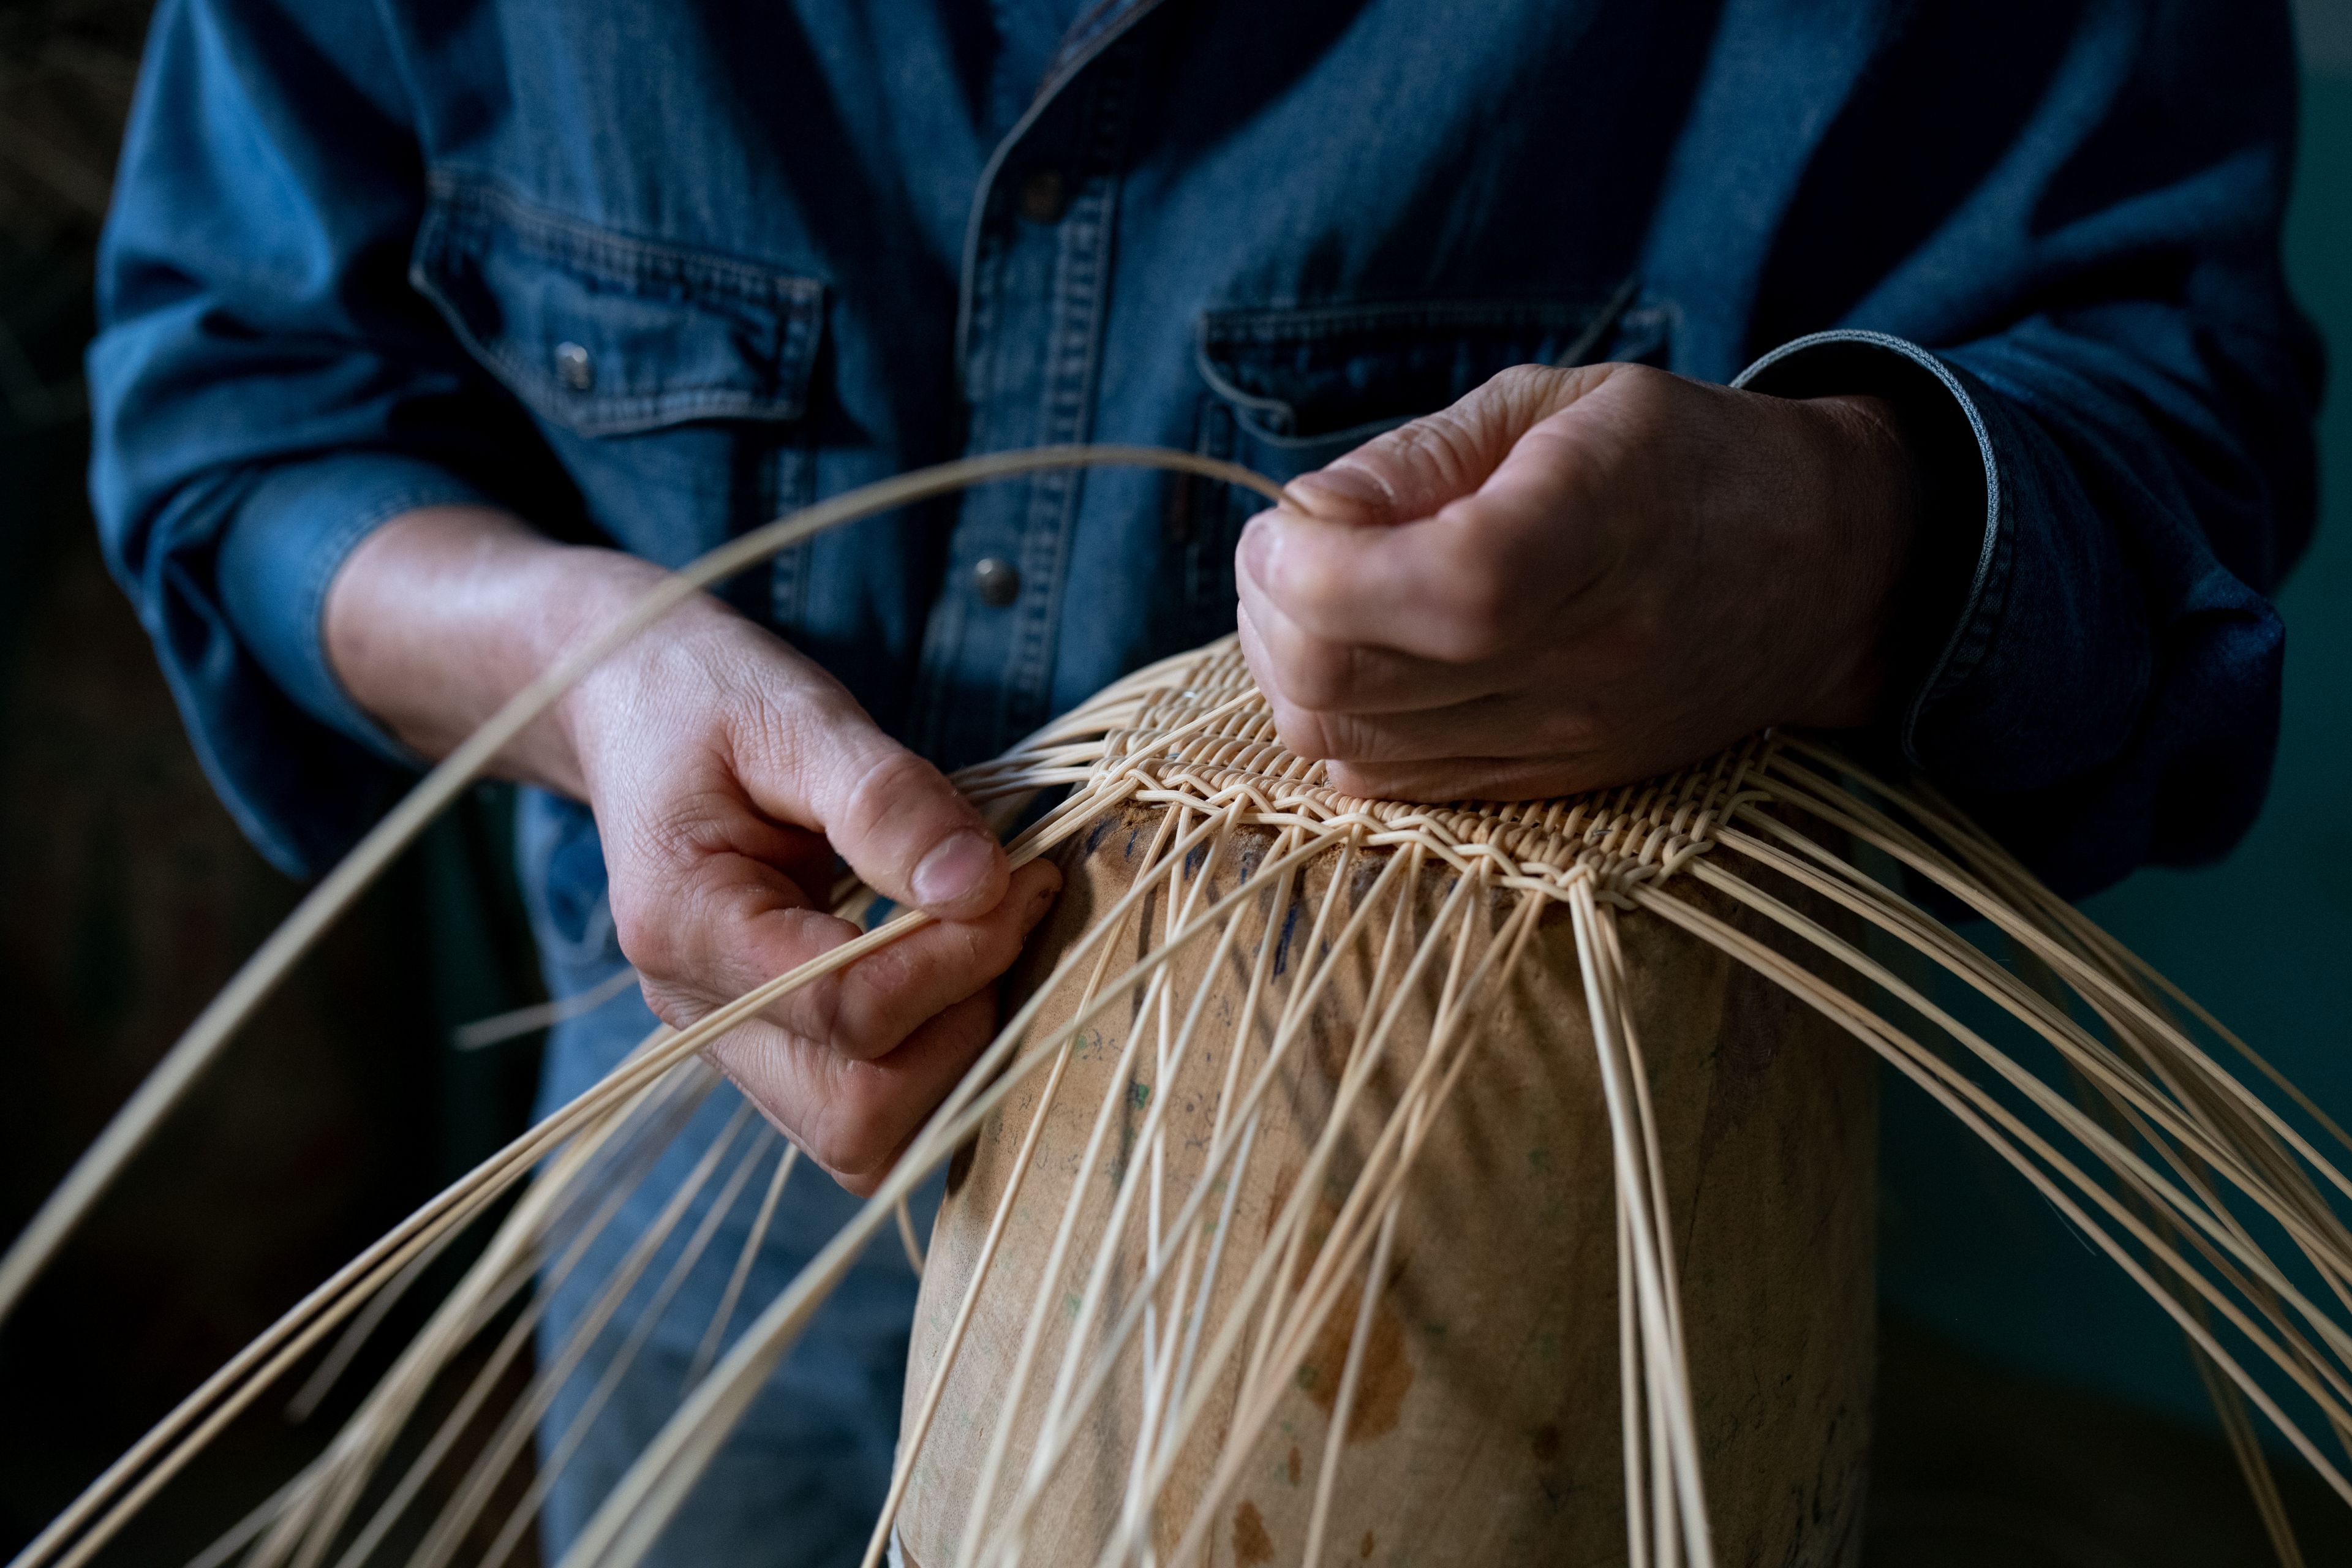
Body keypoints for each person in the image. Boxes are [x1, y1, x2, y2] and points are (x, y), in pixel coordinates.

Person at [88, 1, 2323, 1562]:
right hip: (708, 1153)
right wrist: (590, 675)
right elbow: (243, 411)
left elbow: (2172, 413)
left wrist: (1833, 538)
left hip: (1510, 1267)